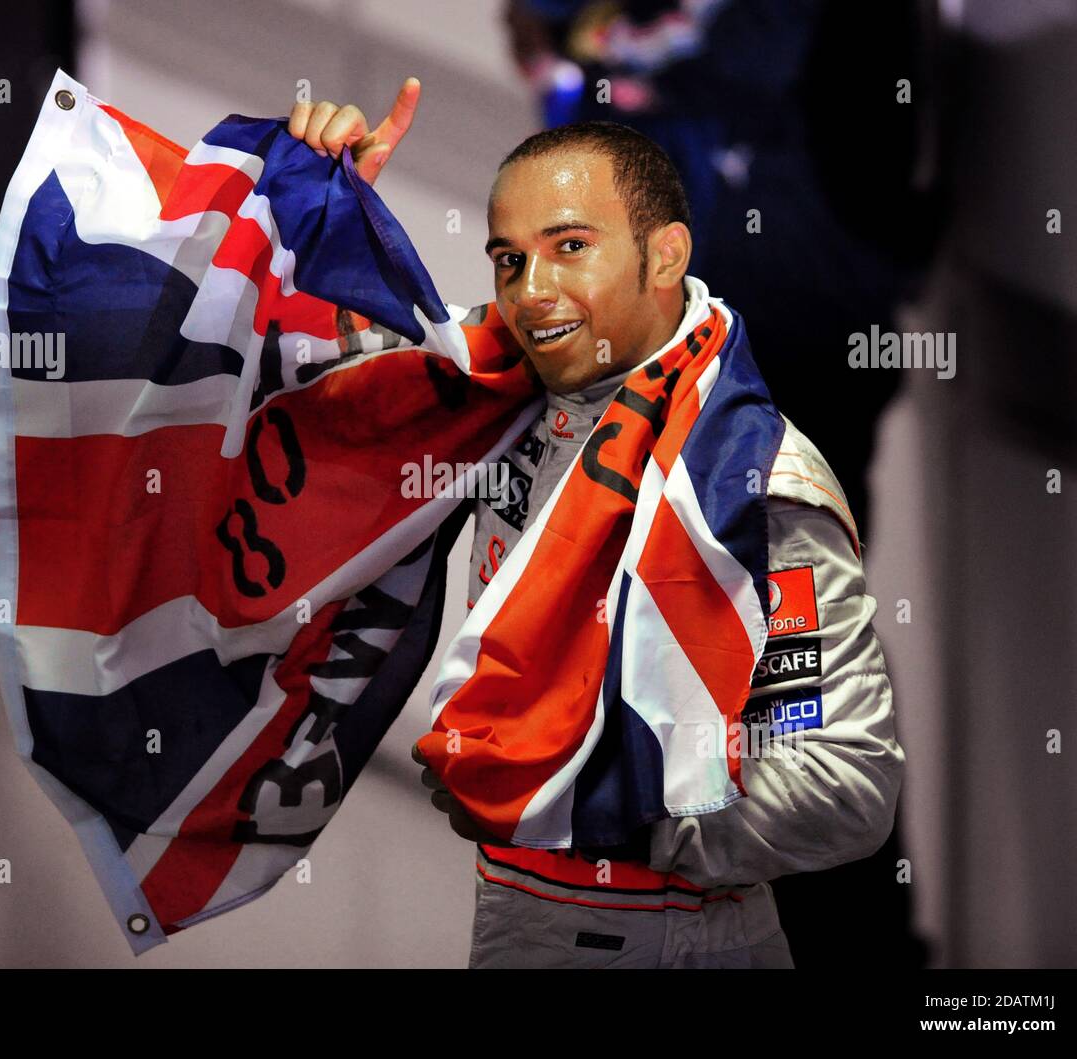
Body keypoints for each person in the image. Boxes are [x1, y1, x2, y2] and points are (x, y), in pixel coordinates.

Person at [288, 80, 904, 968]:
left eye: (570, 247)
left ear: (665, 255)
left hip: (685, 939)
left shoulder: (757, 482)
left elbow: (848, 783)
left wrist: (585, 800)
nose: (533, 292)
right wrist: (318, 224)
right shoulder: (496, 393)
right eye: (508, 261)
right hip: (513, 916)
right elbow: (296, 401)